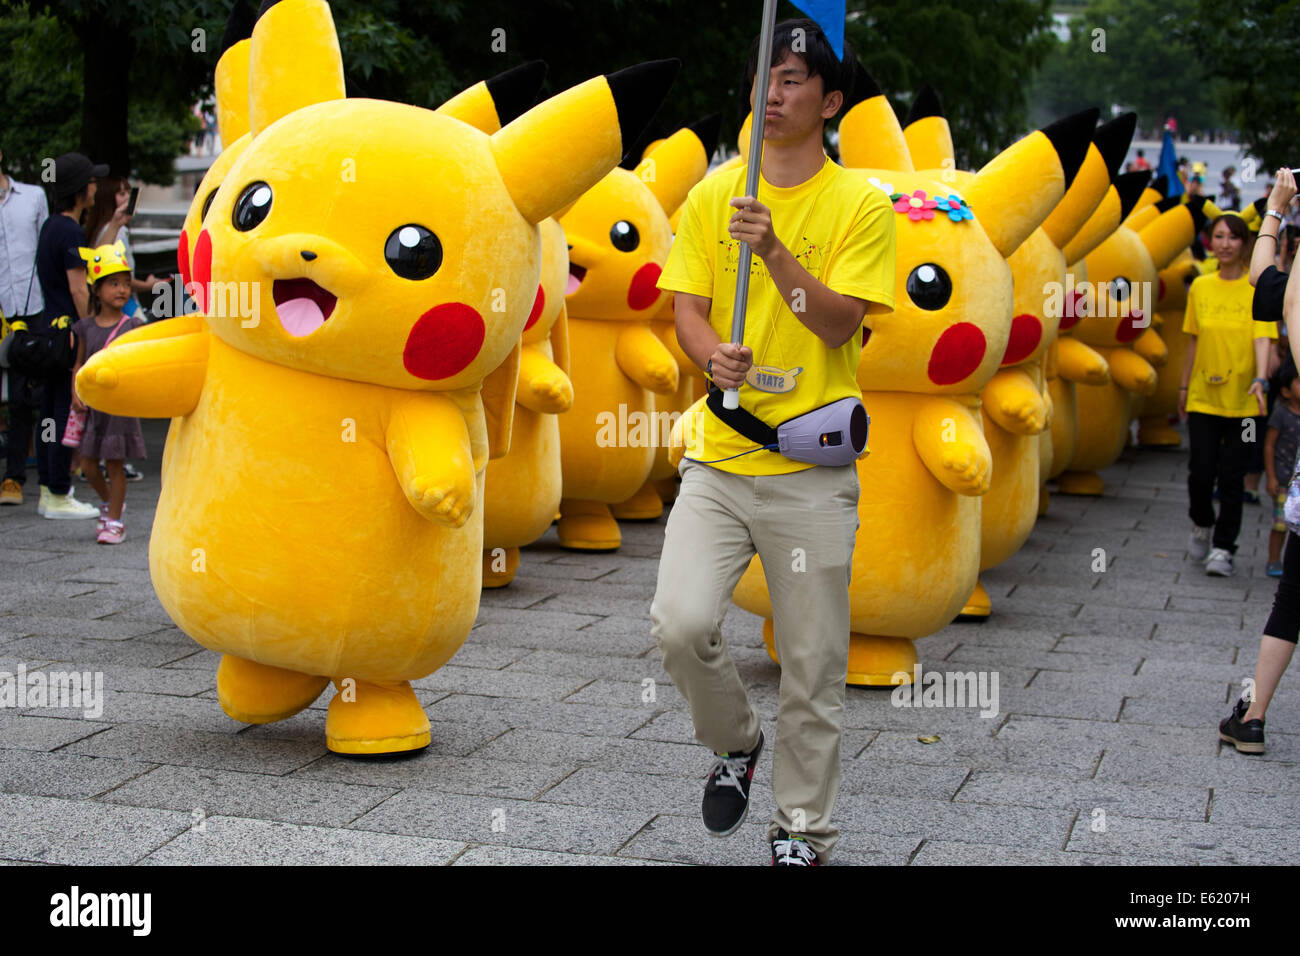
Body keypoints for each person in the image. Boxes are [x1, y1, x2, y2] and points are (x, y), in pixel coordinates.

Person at [649, 18, 896, 866]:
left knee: (814, 663)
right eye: (768, 77)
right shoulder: (715, 193)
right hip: (720, 457)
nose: (775, 93)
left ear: (830, 103)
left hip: (810, 471)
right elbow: (685, 304)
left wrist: (779, 253)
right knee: (679, 625)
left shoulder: (861, 204)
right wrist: (707, 351)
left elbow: (838, 325)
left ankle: (802, 829)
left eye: (794, 80)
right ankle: (736, 743)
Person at [1180, 212, 1276, 576]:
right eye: (1218, 236)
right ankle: (1201, 522)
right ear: (1210, 241)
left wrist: (1262, 379)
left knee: (1233, 478)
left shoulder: (1256, 289)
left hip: (1246, 403)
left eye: (1232, 237)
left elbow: (1264, 336)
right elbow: (1193, 341)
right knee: (1200, 473)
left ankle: (1223, 547)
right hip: (1203, 396)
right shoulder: (1201, 287)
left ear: (1244, 243)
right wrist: (1184, 386)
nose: (1224, 244)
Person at [32, 151, 107, 519]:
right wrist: (88, 332)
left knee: (48, 412)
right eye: (91, 182)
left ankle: (48, 487)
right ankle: (60, 491)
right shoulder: (70, 231)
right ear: (79, 190)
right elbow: (79, 289)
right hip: (69, 336)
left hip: (49, 332)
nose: (95, 187)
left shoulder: (50, 226)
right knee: (65, 410)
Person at [70, 242, 145, 543]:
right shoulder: (84, 328)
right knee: (87, 464)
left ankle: (114, 520)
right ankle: (109, 501)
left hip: (120, 407)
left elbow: (140, 363)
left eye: (126, 284)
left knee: (114, 463)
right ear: (96, 290)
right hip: (93, 408)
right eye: (114, 283)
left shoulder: (133, 326)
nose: (122, 290)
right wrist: (76, 393)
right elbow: (78, 364)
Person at [0, 146, 50, 507]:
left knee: (22, 398)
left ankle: (15, 477)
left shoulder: (33, 196)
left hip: (32, 309)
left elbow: (44, 253)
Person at [1264, 363, 1300, 576]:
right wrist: (1270, 476)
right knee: (1279, 525)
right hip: (1285, 480)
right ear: (1286, 391)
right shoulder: (1281, 415)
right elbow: (1269, 445)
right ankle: (1273, 559)